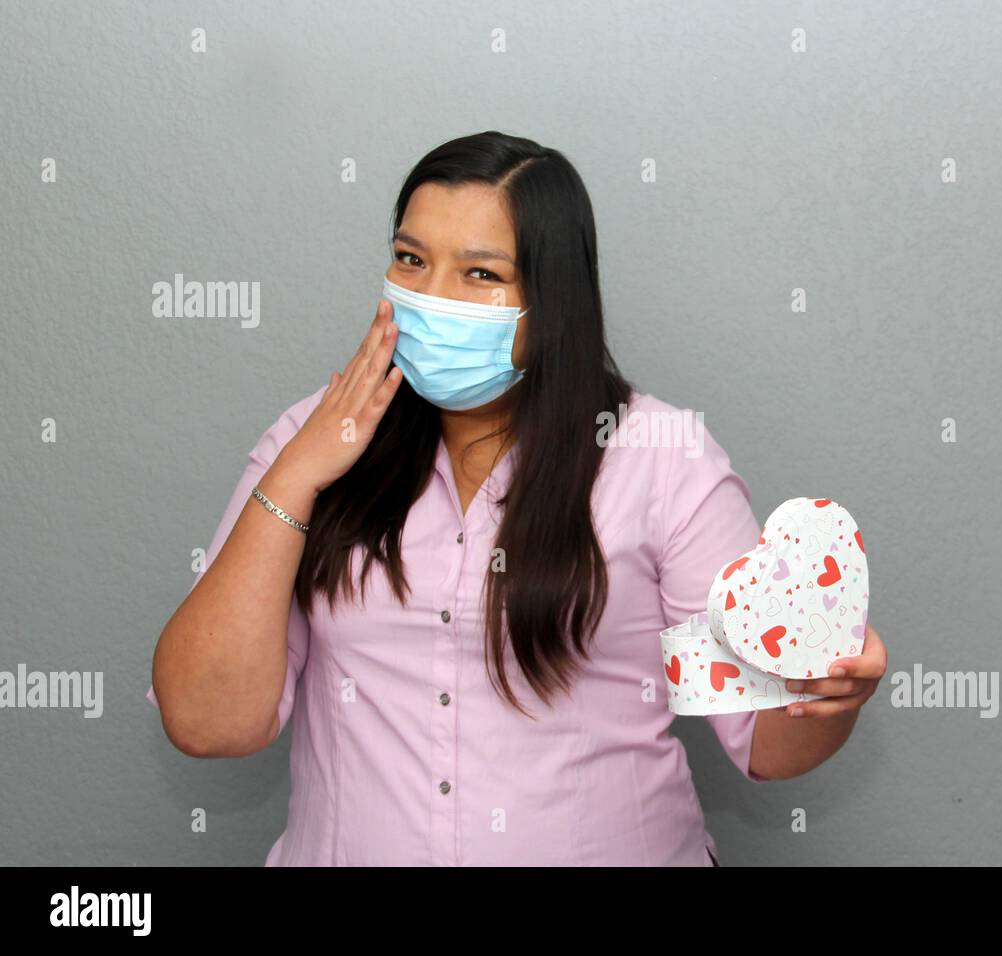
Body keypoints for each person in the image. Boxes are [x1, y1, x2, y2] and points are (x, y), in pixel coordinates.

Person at [146, 131, 887, 866]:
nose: (429, 299)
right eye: (411, 260)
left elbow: (766, 740)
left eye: (480, 274)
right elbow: (208, 724)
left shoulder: (665, 460)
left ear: (553, 298)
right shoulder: (308, 440)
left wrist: (825, 696)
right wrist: (295, 475)